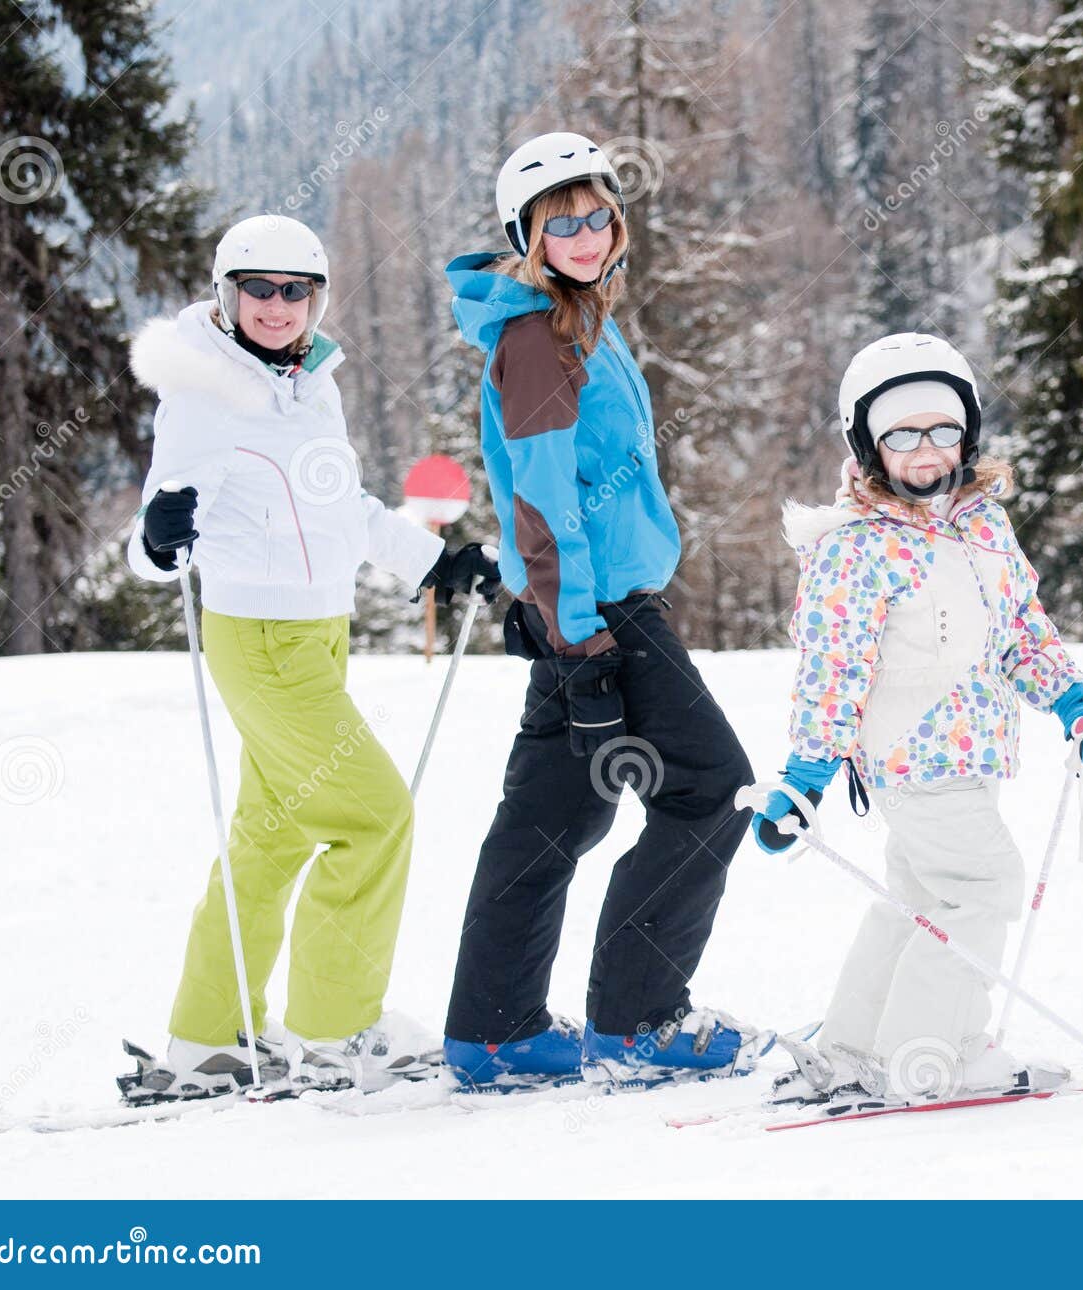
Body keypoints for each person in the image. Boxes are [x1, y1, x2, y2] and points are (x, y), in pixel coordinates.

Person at [123, 214, 500, 1100]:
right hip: (260, 640)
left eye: (297, 291)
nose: (279, 306)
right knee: (374, 816)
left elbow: (347, 504)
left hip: (316, 635)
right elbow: (157, 542)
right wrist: (157, 534)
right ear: (226, 293)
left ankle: (210, 1040)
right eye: (260, 289)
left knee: (272, 836)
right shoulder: (203, 390)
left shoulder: (308, 383)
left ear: (317, 298)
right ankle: (337, 1033)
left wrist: (433, 561)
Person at [439, 133, 761, 1092]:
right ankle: (638, 1020)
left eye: (597, 214)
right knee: (711, 789)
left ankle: (493, 1034)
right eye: (560, 219)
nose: (584, 233)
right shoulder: (539, 335)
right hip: (605, 616)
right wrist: (578, 641)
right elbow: (540, 501)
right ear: (527, 234)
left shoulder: (580, 318)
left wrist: (549, 614)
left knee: (549, 817)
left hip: (586, 608)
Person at [751, 332, 1083, 1110]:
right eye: (902, 433)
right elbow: (830, 669)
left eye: (942, 429)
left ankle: (854, 1048)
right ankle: (932, 1054)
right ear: (869, 444)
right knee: (983, 887)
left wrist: (1068, 695)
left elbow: (1020, 630)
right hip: (913, 758)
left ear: (968, 434)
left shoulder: (983, 526)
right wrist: (807, 774)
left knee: (918, 900)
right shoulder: (856, 547)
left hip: (971, 755)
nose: (925, 450)